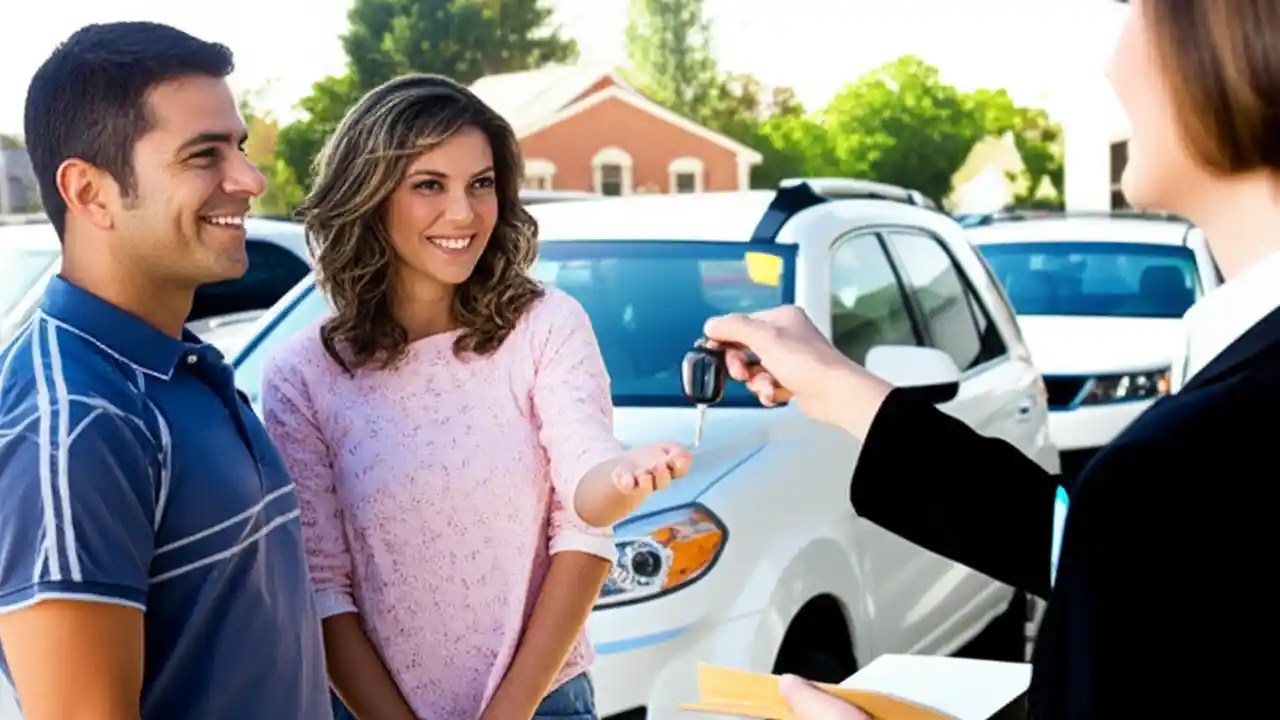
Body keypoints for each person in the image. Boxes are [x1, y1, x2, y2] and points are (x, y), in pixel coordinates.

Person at [703, 1, 1276, 718]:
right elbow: (1127, 556)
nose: (1111, 62)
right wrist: (842, 389)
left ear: (1240, 39)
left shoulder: (1182, 462)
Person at [259, 73, 693, 720]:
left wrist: (621, 479)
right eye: (429, 185)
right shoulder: (302, 375)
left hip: (544, 704)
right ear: (369, 197)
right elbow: (322, 589)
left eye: (481, 184)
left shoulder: (547, 324)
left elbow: (585, 511)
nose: (463, 213)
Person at [0, 22, 331, 720]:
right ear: (89, 192)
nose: (249, 179)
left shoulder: (176, 365)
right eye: (203, 155)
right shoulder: (76, 421)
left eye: (237, 147)